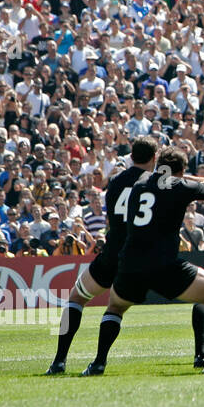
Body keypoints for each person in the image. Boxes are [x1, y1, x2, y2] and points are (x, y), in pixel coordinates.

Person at [81, 148, 204, 376]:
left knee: (115, 307)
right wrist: (187, 178)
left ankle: (98, 363)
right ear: (181, 170)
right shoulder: (179, 185)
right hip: (163, 264)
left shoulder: (140, 185)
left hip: (130, 263)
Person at [47, 138, 173, 374]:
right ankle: (99, 362)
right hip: (139, 256)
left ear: (132, 156)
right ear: (154, 158)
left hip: (112, 252)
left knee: (76, 299)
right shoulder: (157, 183)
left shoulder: (115, 182)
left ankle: (59, 361)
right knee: (115, 309)